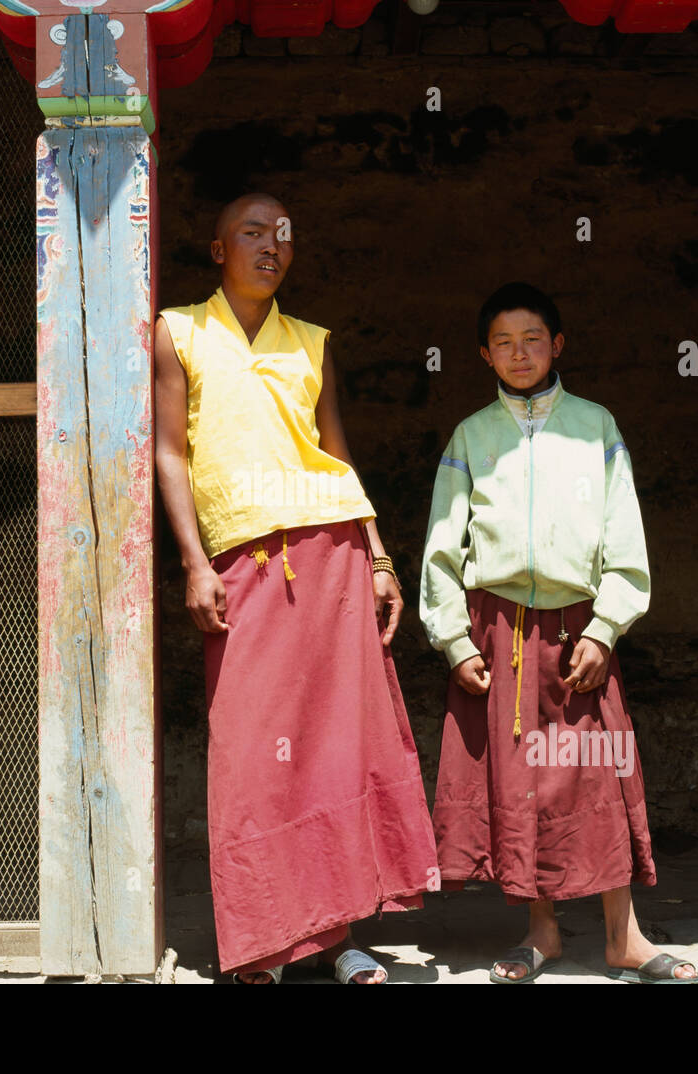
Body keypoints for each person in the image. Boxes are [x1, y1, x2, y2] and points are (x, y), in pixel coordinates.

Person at [154, 193, 438, 984]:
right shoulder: (179, 333)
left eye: (283, 235)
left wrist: (379, 558)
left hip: (333, 554)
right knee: (251, 754)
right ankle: (264, 945)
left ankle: (340, 936)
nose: (270, 245)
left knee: (335, 749)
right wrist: (192, 562)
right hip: (243, 563)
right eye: (252, 232)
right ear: (218, 250)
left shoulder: (311, 343)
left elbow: (336, 457)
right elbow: (169, 453)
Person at [419, 282, 698, 984]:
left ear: (559, 345)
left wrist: (606, 629)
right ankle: (540, 933)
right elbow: (441, 548)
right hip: (497, 632)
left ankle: (623, 937)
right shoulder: (471, 437)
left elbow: (625, 538)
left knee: (599, 776)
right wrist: (455, 640)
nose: (520, 354)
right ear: (484, 353)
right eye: (504, 343)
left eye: (534, 339)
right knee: (521, 784)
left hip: (581, 631)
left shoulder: (595, 427)